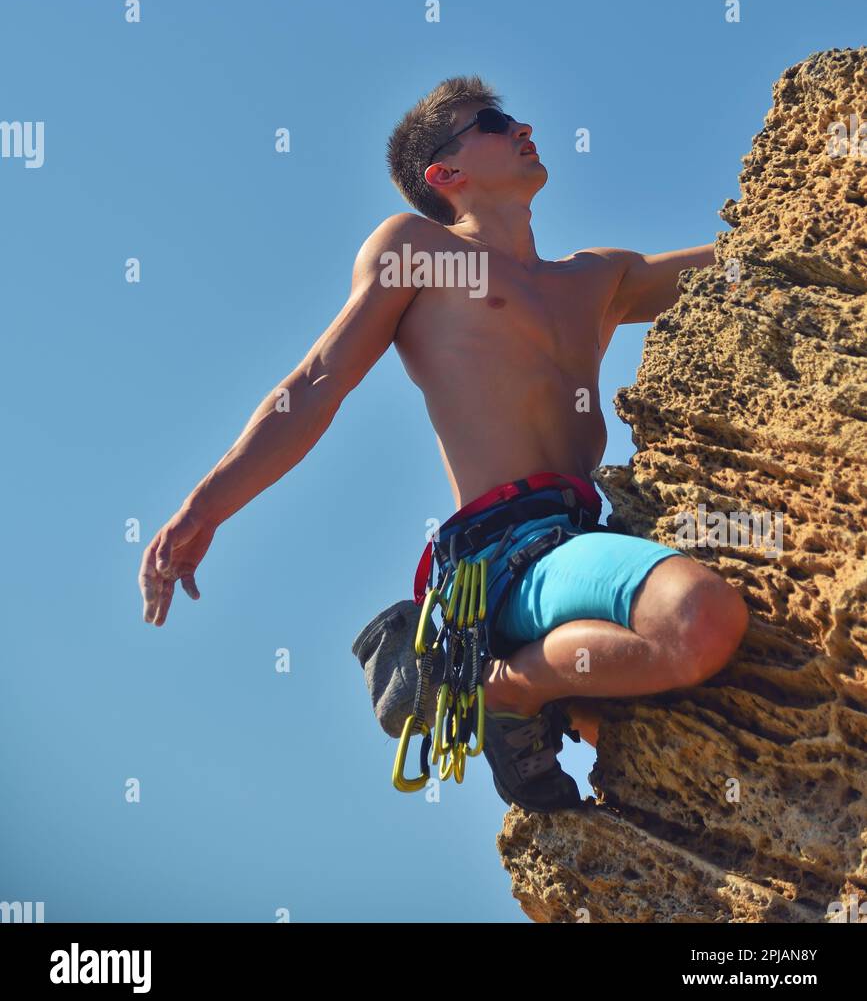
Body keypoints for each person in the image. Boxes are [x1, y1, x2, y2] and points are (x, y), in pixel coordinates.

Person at [138, 74, 749, 813]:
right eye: (494, 121)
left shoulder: (597, 278)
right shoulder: (419, 248)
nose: (524, 126)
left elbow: (754, 263)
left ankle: (561, 697)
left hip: (587, 531)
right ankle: (505, 691)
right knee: (698, 619)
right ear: (443, 174)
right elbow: (317, 383)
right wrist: (206, 506)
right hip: (500, 553)